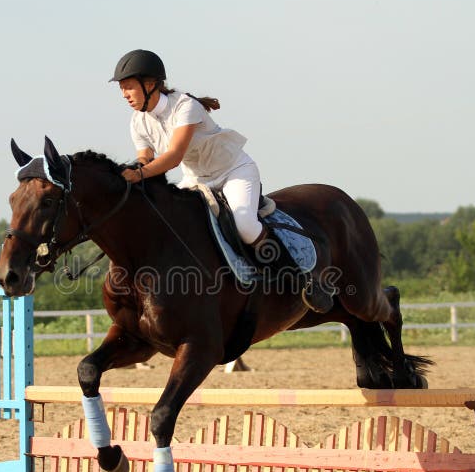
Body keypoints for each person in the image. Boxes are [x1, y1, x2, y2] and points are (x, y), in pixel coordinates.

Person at [111, 49, 331, 313]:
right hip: (197, 179)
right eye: (122, 89)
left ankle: (302, 280)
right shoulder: (138, 121)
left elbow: (173, 156)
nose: (124, 95)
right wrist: (130, 172)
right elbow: (146, 158)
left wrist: (140, 174)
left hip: (234, 171)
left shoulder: (185, 107)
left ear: (150, 85)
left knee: (246, 225)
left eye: (128, 88)